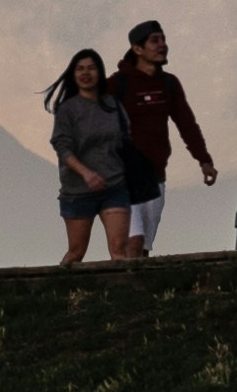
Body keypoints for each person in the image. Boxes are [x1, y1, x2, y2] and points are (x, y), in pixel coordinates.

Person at [113, 18, 218, 256]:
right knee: (134, 240)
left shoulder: (169, 84)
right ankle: (125, 288)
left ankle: (135, 290)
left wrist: (204, 160)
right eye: (155, 40)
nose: (162, 45)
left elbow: (186, 123)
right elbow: (92, 114)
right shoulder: (118, 84)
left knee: (144, 247)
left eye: (163, 39)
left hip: (155, 176)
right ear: (138, 49)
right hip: (122, 176)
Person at [47, 46, 135, 265]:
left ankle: (122, 295)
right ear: (74, 74)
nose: (86, 73)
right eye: (80, 69)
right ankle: (59, 292)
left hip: (114, 186)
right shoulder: (67, 110)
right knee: (76, 253)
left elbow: (127, 140)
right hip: (77, 191)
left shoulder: (113, 105)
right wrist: (86, 173)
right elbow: (62, 147)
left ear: (100, 72)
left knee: (119, 251)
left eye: (91, 68)